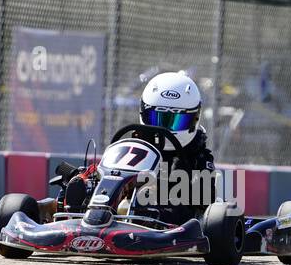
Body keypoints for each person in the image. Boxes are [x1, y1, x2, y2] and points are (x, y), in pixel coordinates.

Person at [58, 70, 217, 224]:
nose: (163, 129)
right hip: (124, 202)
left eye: (175, 122)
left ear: (193, 119)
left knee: (159, 204)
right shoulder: (136, 143)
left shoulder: (198, 155)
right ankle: (80, 209)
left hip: (168, 213)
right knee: (80, 184)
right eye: (157, 118)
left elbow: (203, 200)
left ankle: (138, 215)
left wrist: (166, 186)